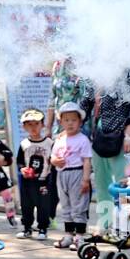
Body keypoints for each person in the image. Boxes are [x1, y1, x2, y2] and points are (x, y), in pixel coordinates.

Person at [81, 69, 130, 237]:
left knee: (123, 185)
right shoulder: (96, 71)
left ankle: (124, 226)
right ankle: (105, 223)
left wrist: (129, 136)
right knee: (102, 185)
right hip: (99, 137)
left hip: (121, 138)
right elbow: (85, 103)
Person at [50, 101, 93, 249]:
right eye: (66, 120)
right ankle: (68, 235)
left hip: (77, 173)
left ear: (80, 122)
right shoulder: (60, 139)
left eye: (74, 120)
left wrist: (86, 180)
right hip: (61, 175)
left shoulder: (83, 139)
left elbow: (87, 160)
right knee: (65, 205)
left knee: (79, 205)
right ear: (61, 121)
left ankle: (79, 237)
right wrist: (55, 161)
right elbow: (52, 157)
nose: (70, 123)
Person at [15, 108, 53, 240]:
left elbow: (52, 162)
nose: (33, 127)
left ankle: (42, 228)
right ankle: (27, 228)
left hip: (43, 181)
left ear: (42, 124)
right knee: (26, 205)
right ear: (24, 126)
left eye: (36, 123)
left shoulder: (49, 143)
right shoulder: (24, 144)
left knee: (43, 205)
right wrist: (22, 169)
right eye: (29, 124)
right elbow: (19, 161)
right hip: (27, 181)